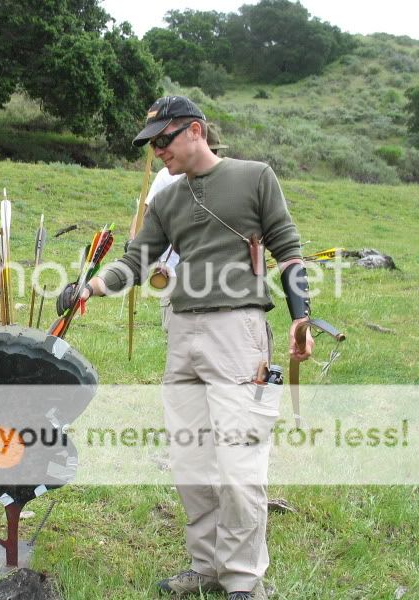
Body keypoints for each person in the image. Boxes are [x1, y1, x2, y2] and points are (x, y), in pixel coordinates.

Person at [59, 96, 313, 599]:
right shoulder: (167, 199)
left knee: (239, 464)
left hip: (237, 334)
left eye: (164, 140)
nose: (157, 152)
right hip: (182, 333)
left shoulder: (255, 177)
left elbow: (288, 249)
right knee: (191, 461)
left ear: (195, 130)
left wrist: (301, 315)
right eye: (151, 145)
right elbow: (135, 260)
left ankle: (243, 581)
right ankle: (207, 566)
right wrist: (90, 287)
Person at [128, 125, 229, 332]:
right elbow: (145, 211)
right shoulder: (168, 177)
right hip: (173, 270)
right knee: (176, 330)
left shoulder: (224, 179)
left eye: (215, 152)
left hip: (214, 275)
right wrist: (134, 245)